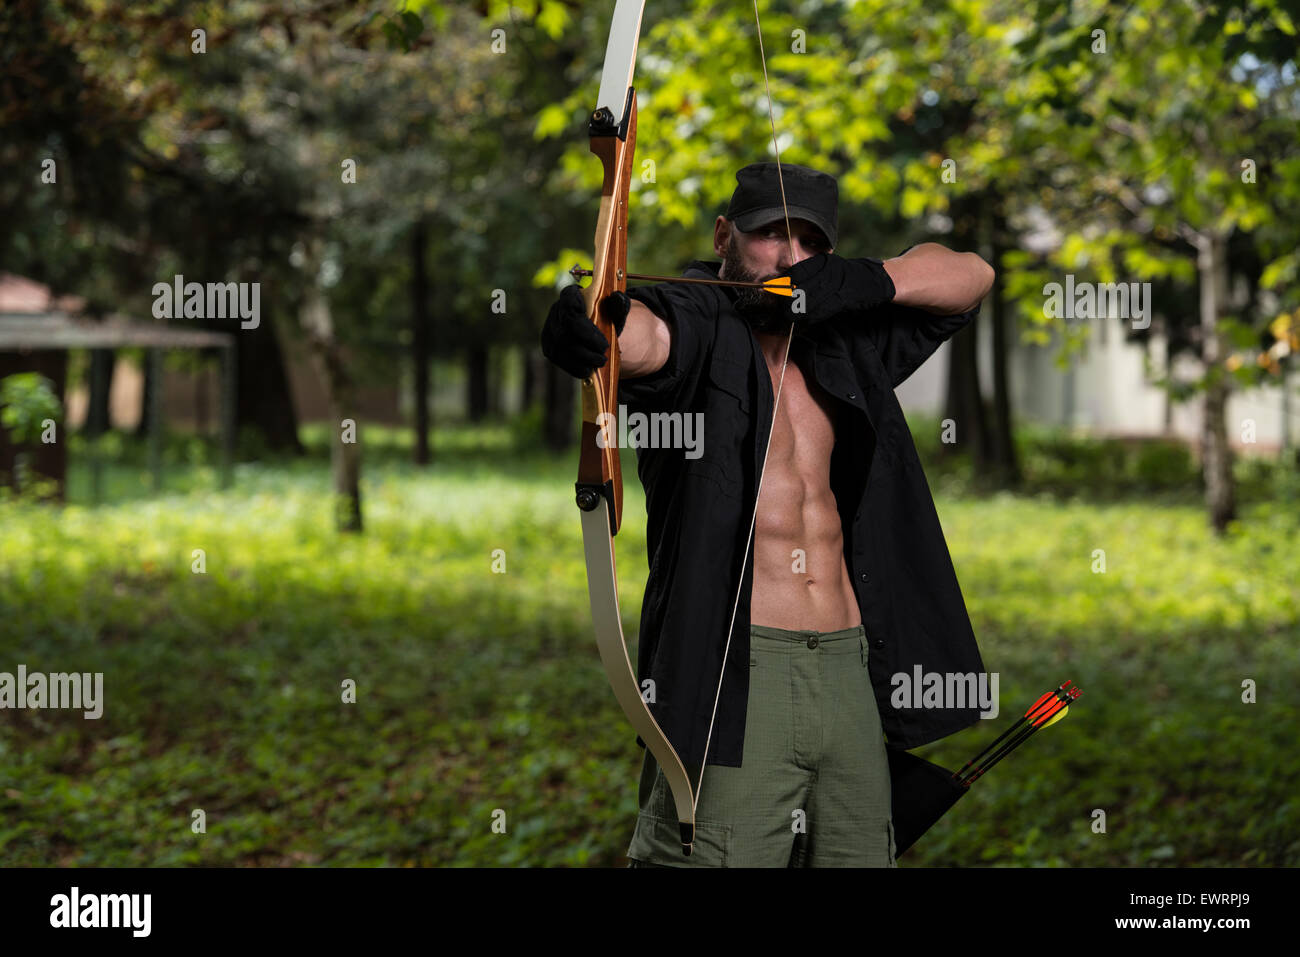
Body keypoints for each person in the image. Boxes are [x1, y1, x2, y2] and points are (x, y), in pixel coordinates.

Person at [542, 161, 994, 866]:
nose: (789, 257)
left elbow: (971, 276)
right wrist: (597, 329)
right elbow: (642, 341)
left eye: (810, 243)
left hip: (848, 670)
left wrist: (867, 280)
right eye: (768, 236)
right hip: (736, 674)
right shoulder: (696, 322)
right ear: (725, 235)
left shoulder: (848, 334)